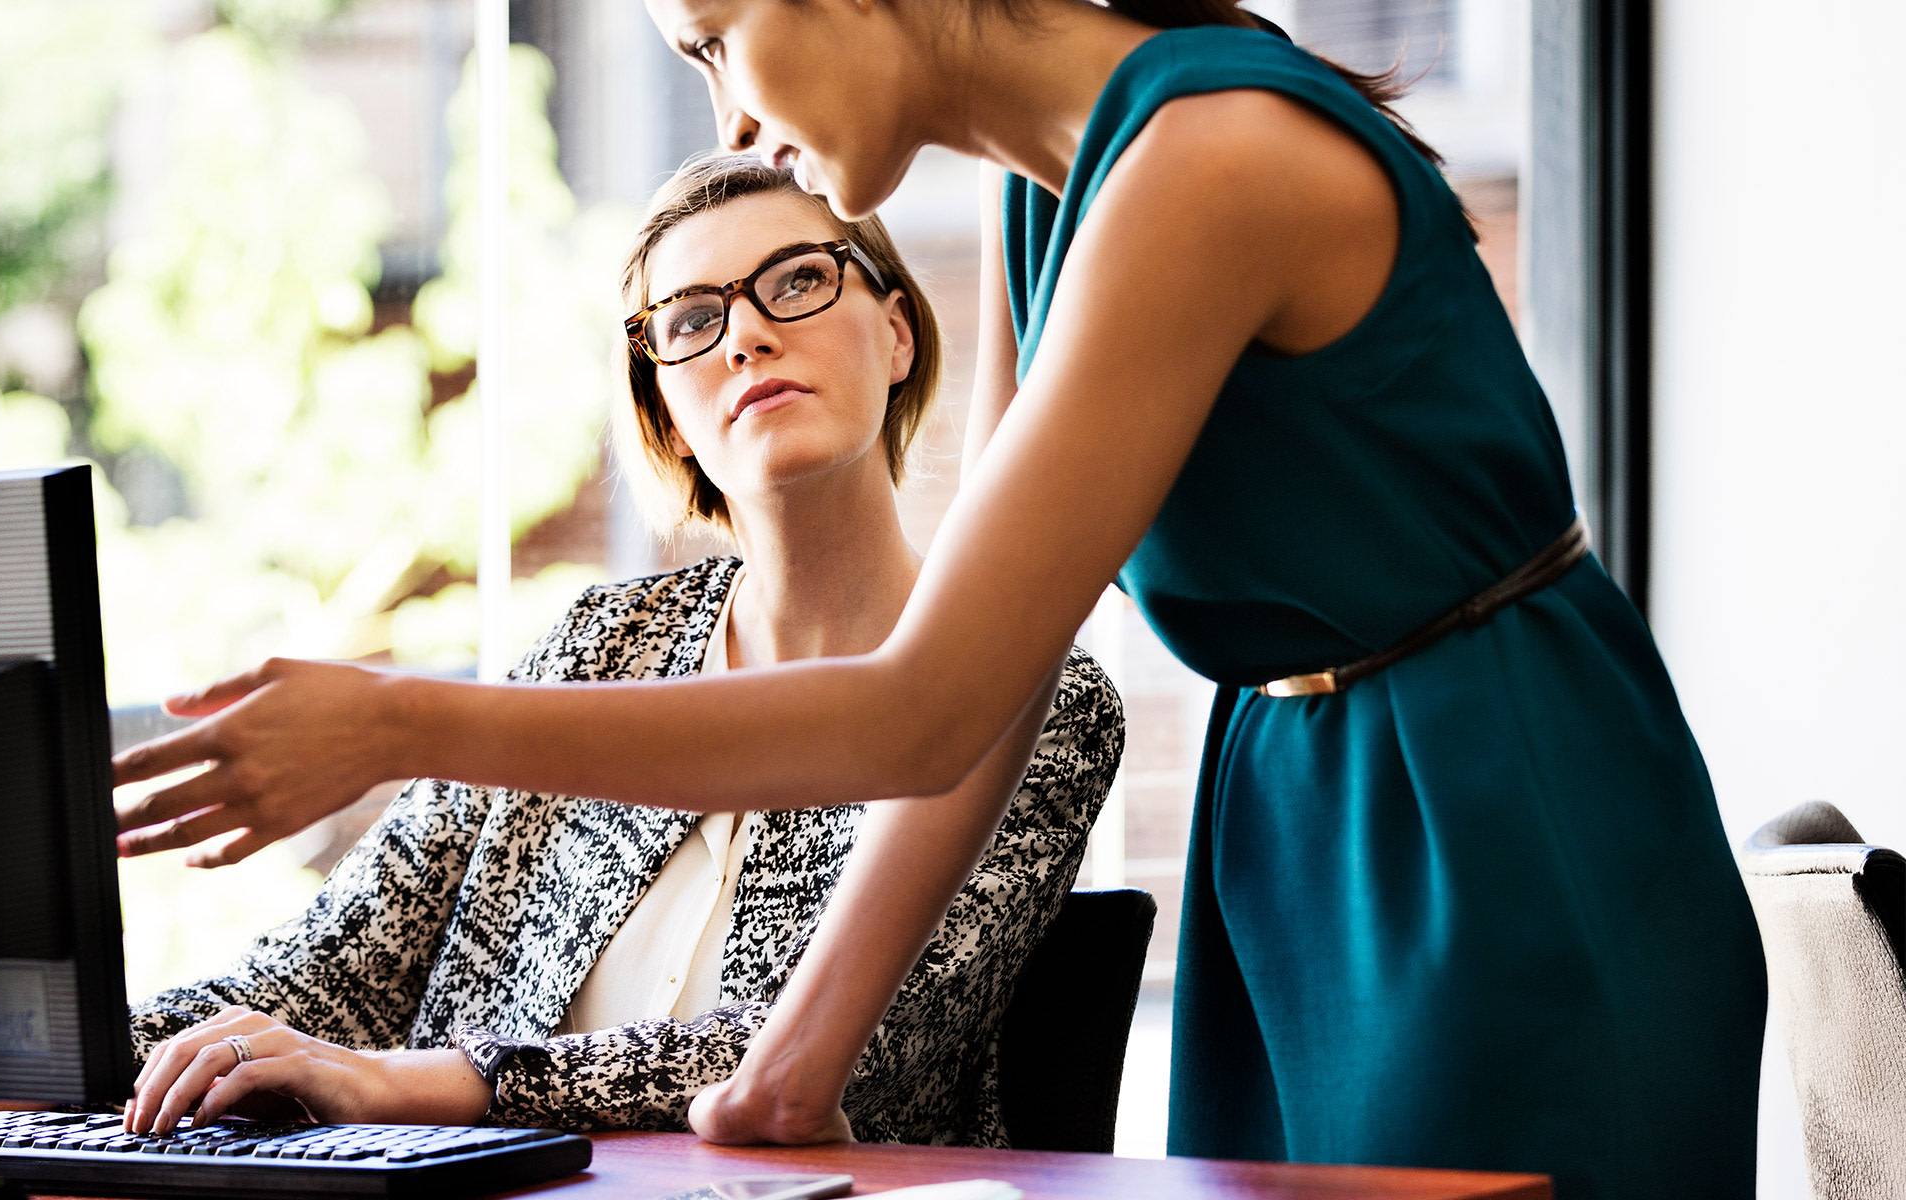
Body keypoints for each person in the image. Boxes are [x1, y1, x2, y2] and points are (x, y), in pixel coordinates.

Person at [113, 2, 1767, 1196]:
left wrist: (399, 719)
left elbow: (924, 710)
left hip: (1492, 819)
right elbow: (983, 660)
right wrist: (790, 1071)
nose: (728, 125)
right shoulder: (1065, 195)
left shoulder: (1211, 159)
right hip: (1302, 826)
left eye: (713, 39)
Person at [0, 152, 1123, 1146]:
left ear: (898, 332)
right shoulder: (593, 646)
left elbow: (858, 1048)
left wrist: (417, 1084)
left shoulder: (1041, 695)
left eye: (797, 282)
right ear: (668, 416)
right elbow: (330, 972)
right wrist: (18, 1070)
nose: (745, 336)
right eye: (692, 320)